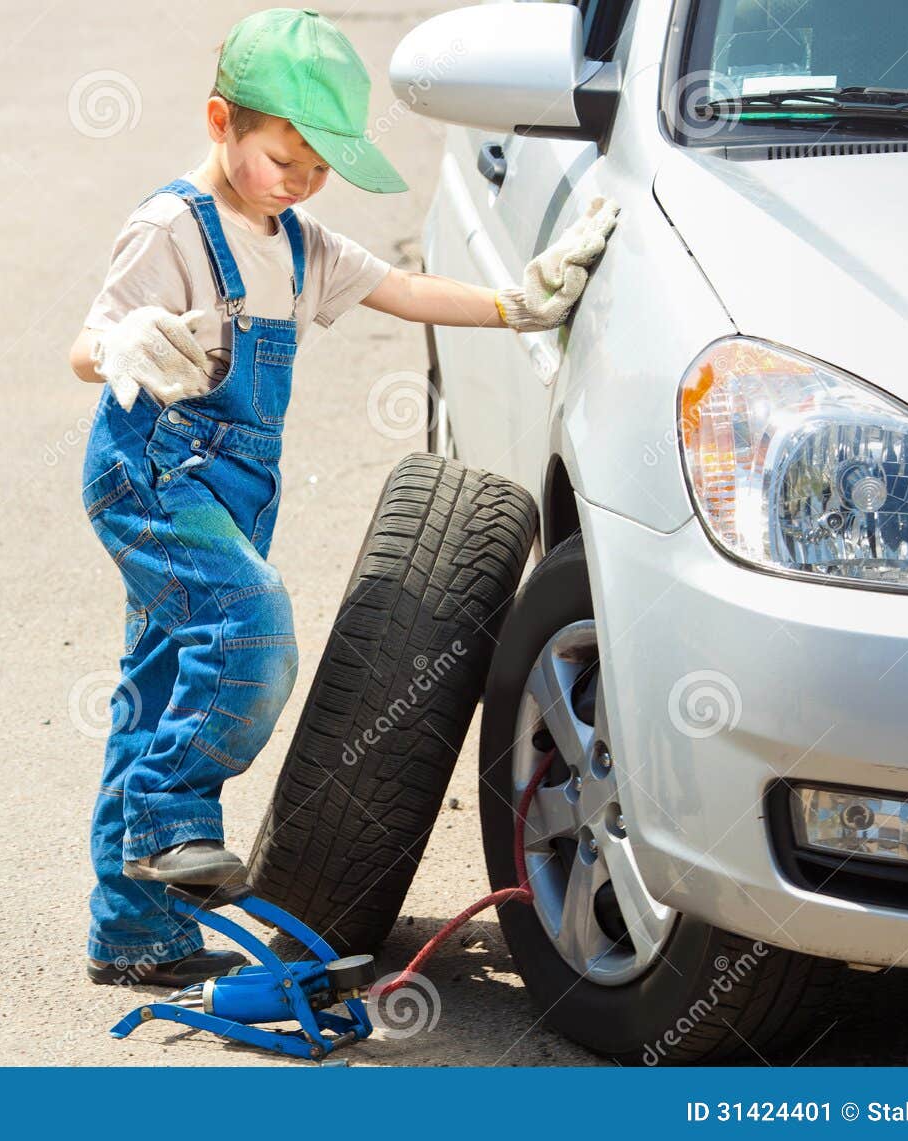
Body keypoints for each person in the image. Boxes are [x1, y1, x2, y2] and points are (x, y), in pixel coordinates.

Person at [68, 7, 618, 988]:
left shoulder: (300, 242)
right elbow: (88, 341)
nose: (301, 181)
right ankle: (173, 822)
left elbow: (401, 290)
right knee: (249, 628)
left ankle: (131, 932)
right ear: (219, 122)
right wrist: (123, 344)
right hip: (152, 476)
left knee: (157, 682)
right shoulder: (170, 228)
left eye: (319, 168)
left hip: (231, 493)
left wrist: (519, 303)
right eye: (284, 158)